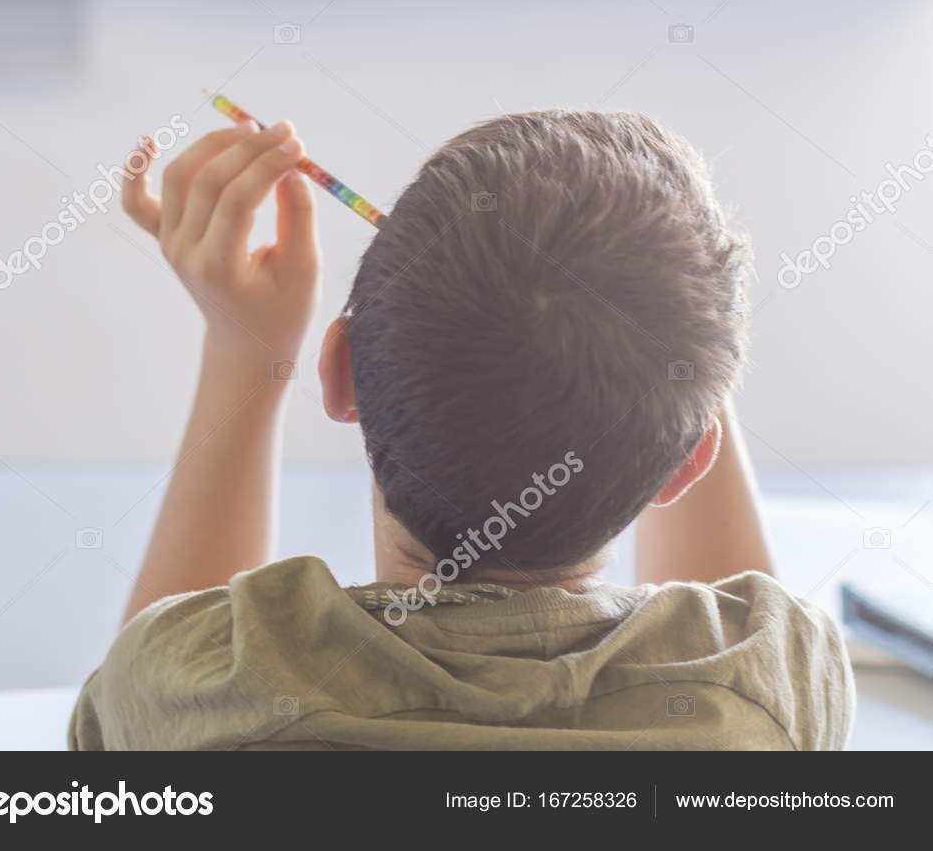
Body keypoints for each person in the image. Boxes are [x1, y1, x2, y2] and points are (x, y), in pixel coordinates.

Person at [69, 109, 852, 751]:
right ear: (690, 461)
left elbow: (170, 656)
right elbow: (732, 624)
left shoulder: (205, 697)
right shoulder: (771, 692)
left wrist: (247, 354)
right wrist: (671, 343)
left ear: (339, 375)